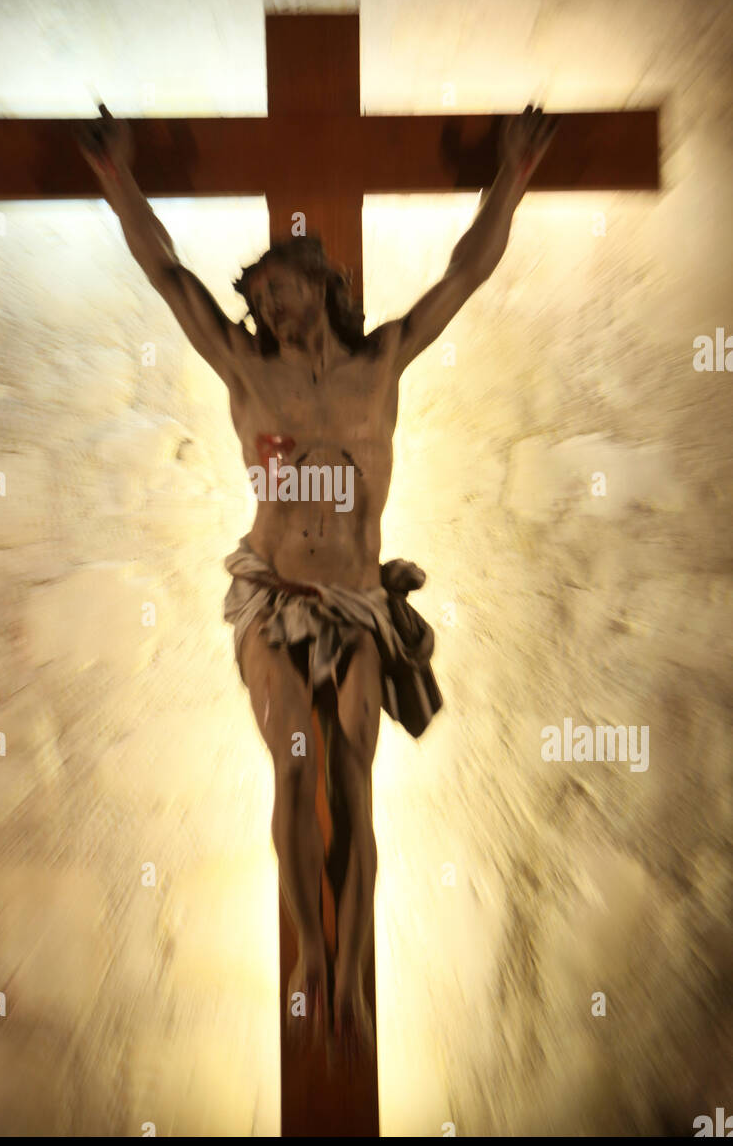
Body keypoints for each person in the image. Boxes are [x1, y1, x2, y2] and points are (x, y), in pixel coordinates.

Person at [79, 102, 558, 1056]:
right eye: (256, 293)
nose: (265, 302)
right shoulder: (244, 367)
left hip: (356, 605)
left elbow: (466, 273)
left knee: (352, 775)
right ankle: (308, 956)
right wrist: (118, 180)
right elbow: (168, 276)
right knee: (293, 771)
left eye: (278, 284)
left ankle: (351, 964)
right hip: (275, 601)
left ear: (322, 280)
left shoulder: (382, 359)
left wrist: (513, 175)